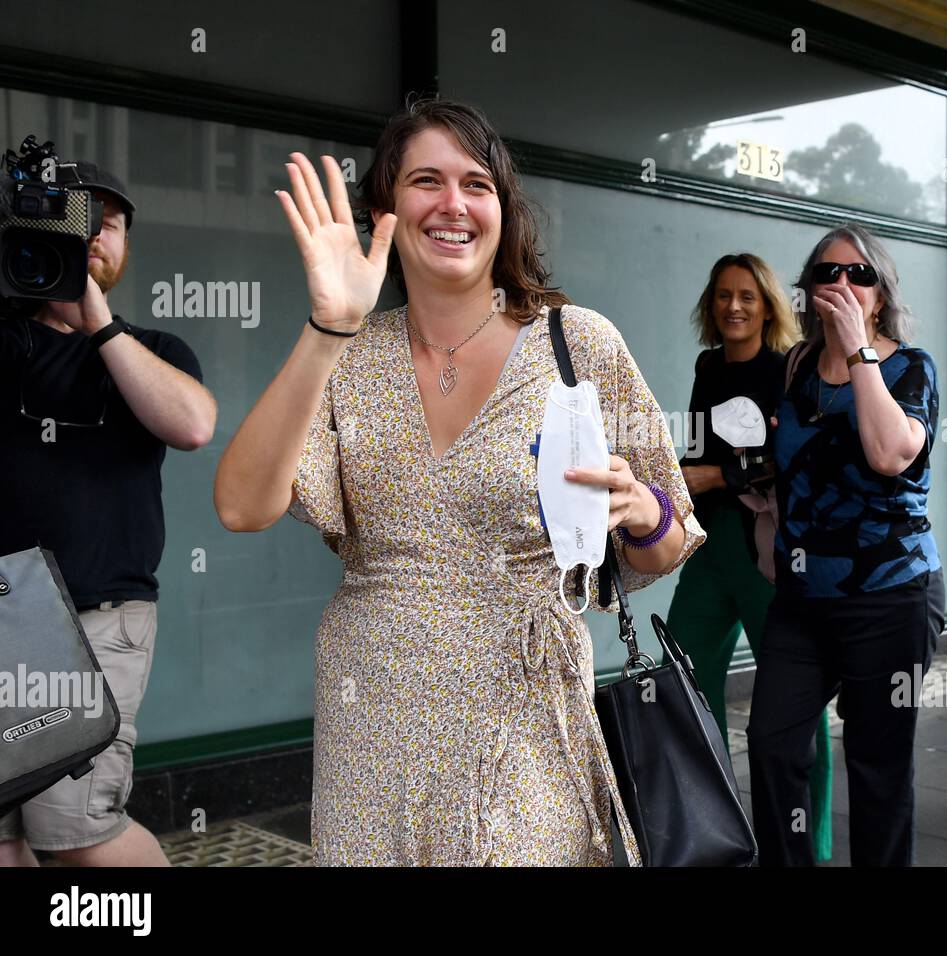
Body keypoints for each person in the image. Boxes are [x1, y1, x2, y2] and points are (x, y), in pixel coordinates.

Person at [213, 98, 704, 866]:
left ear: (503, 209)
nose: (452, 204)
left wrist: (644, 511)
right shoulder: (347, 357)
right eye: (425, 182)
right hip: (369, 713)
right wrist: (326, 327)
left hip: (527, 711)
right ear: (386, 208)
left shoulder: (577, 343)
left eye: (476, 184)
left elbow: (666, 548)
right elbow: (242, 505)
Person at [0, 163, 215, 867]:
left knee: (80, 833)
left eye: (107, 224)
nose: (89, 235)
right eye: (70, 220)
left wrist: (94, 319)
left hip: (92, 618)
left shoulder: (152, 350)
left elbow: (191, 425)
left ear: (123, 247)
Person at [746, 224, 944, 866]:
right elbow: (793, 465)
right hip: (803, 597)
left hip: (890, 595)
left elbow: (890, 454)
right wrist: (769, 510)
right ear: (807, 291)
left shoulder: (910, 367)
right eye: (828, 273)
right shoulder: (797, 367)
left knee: (877, 766)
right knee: (773, 746)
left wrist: (859, 350)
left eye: (860, 275)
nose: (842, 285)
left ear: (880, 295)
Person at [666, 252, 834, 862]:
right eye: (722, 296)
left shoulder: (789, 369)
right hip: (712, 546)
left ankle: (806, 844)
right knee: (686, 677)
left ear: (767, 305)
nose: (733, 306)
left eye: (747, 296)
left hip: (773, 549)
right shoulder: (708, 366)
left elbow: (795, 455)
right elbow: (691, 451)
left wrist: (717, 475)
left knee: (796, 697)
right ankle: (717, 828)